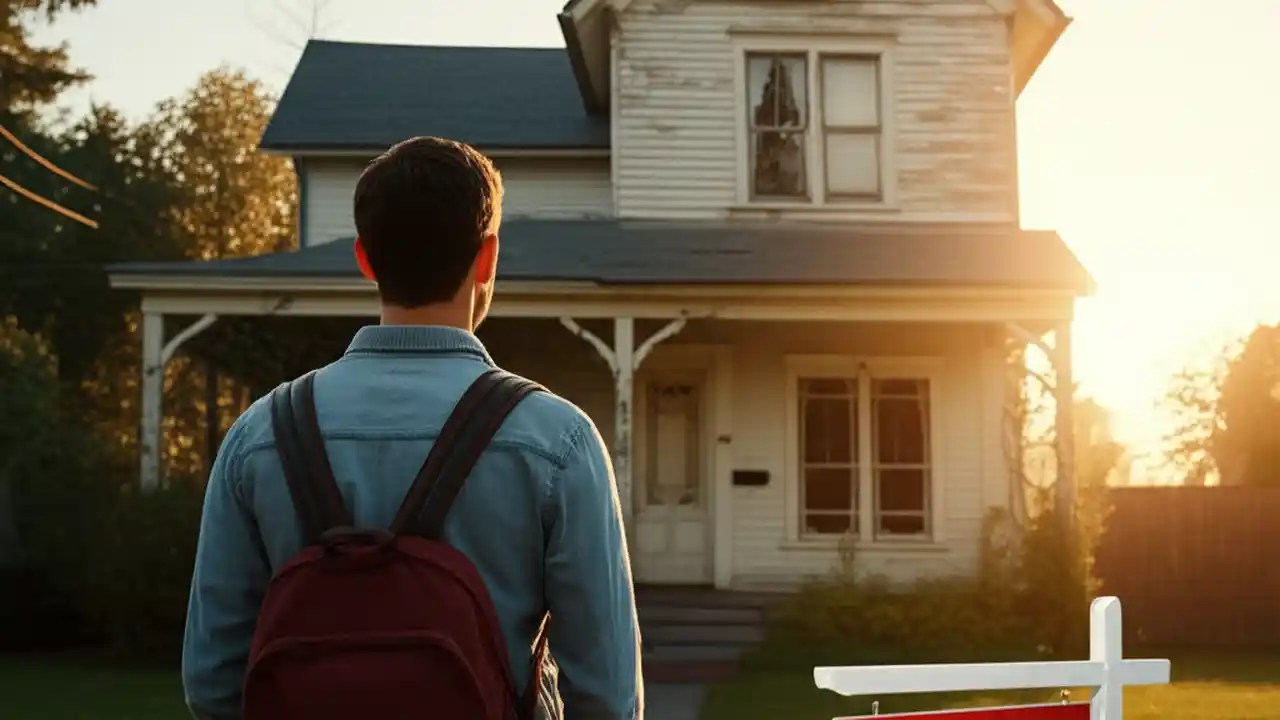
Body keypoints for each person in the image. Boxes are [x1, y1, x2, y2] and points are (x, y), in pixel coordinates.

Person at [181, 136, 643, 719]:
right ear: (488, 258)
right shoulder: (558, 442)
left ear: (365, 259)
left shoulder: (260, 437)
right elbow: (607, 696)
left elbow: (212, 681)